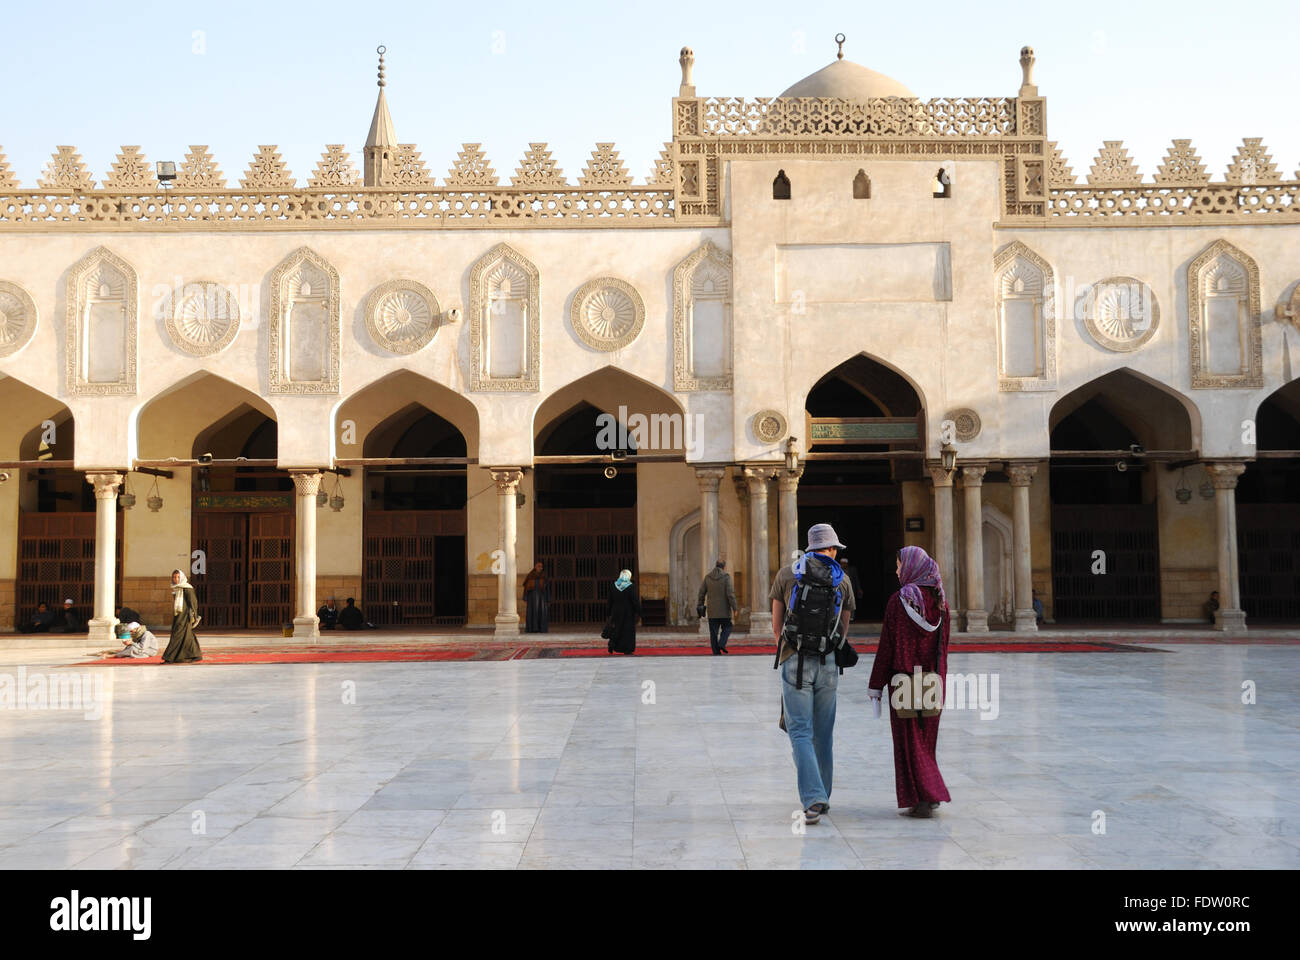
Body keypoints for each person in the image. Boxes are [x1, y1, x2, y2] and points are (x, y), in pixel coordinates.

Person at [770, 523, 856, 825]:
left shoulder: (786, 574)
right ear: (832, 549)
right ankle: (824, 797)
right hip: (829, 663)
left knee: (800, 732)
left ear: (809, 547)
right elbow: (843, 628)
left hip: (795, 662)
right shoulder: (842, 580)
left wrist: (792, 645)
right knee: (823, 732)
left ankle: (813, 798)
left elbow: (777, 625)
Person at [867, 545, 952, 818]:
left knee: (909, 742)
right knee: (926, 741)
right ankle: (928, 796)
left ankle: (926, 797)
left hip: (903, 681)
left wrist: (876, 684)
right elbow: (944, 647)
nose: (896, 570)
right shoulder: (941, 603)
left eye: (899, 565)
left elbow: (887, 648)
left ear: (911, 568)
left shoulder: (898, 602)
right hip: (932, 681)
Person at [697, 559, 738, 654]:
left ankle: (716, 652)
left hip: (712, 611)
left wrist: (700, 605)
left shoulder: (708, 577)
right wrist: (735, 607)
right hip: (724, 611)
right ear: (724, 567)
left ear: (716, 566)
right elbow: (730, 594)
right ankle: (722, 643)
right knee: (728, 627)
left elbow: (701, 593)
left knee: (713, 632)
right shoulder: (726, 577)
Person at [161, 569, 202, 663]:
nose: (176, 579)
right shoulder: (177, 588)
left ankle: (169, 657)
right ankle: (195, 655)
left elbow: (193, 602)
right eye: (174, 577)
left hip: (185, 616)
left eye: (178, 577)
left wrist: (194, 616)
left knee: (177, 635)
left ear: (182, 577)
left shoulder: (187, 588)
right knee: (187, 636)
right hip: (178, 615)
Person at [605, 569, 640, 655]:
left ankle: (612, 645)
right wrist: (639, 612)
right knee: (627, 631)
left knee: (616, 630)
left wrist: (608, 613)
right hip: (627, 613)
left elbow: (610, 601)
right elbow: (635, 601)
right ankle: (627, 649)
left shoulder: (613, 586)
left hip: (616, 612)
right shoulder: (631, 586)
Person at [522, 562, 550, 634]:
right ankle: (532, 629)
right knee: (532, 613)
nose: (540, 568)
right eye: (538, 566)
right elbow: (526, 588)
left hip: (542, 599)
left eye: (541, 566)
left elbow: (547, 589)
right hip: (532, 599)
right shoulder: (530, 575)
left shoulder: (544, 576)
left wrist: (548, 599)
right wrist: (525, 597)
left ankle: (541, 629)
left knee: (542, 612)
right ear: (535, 567)